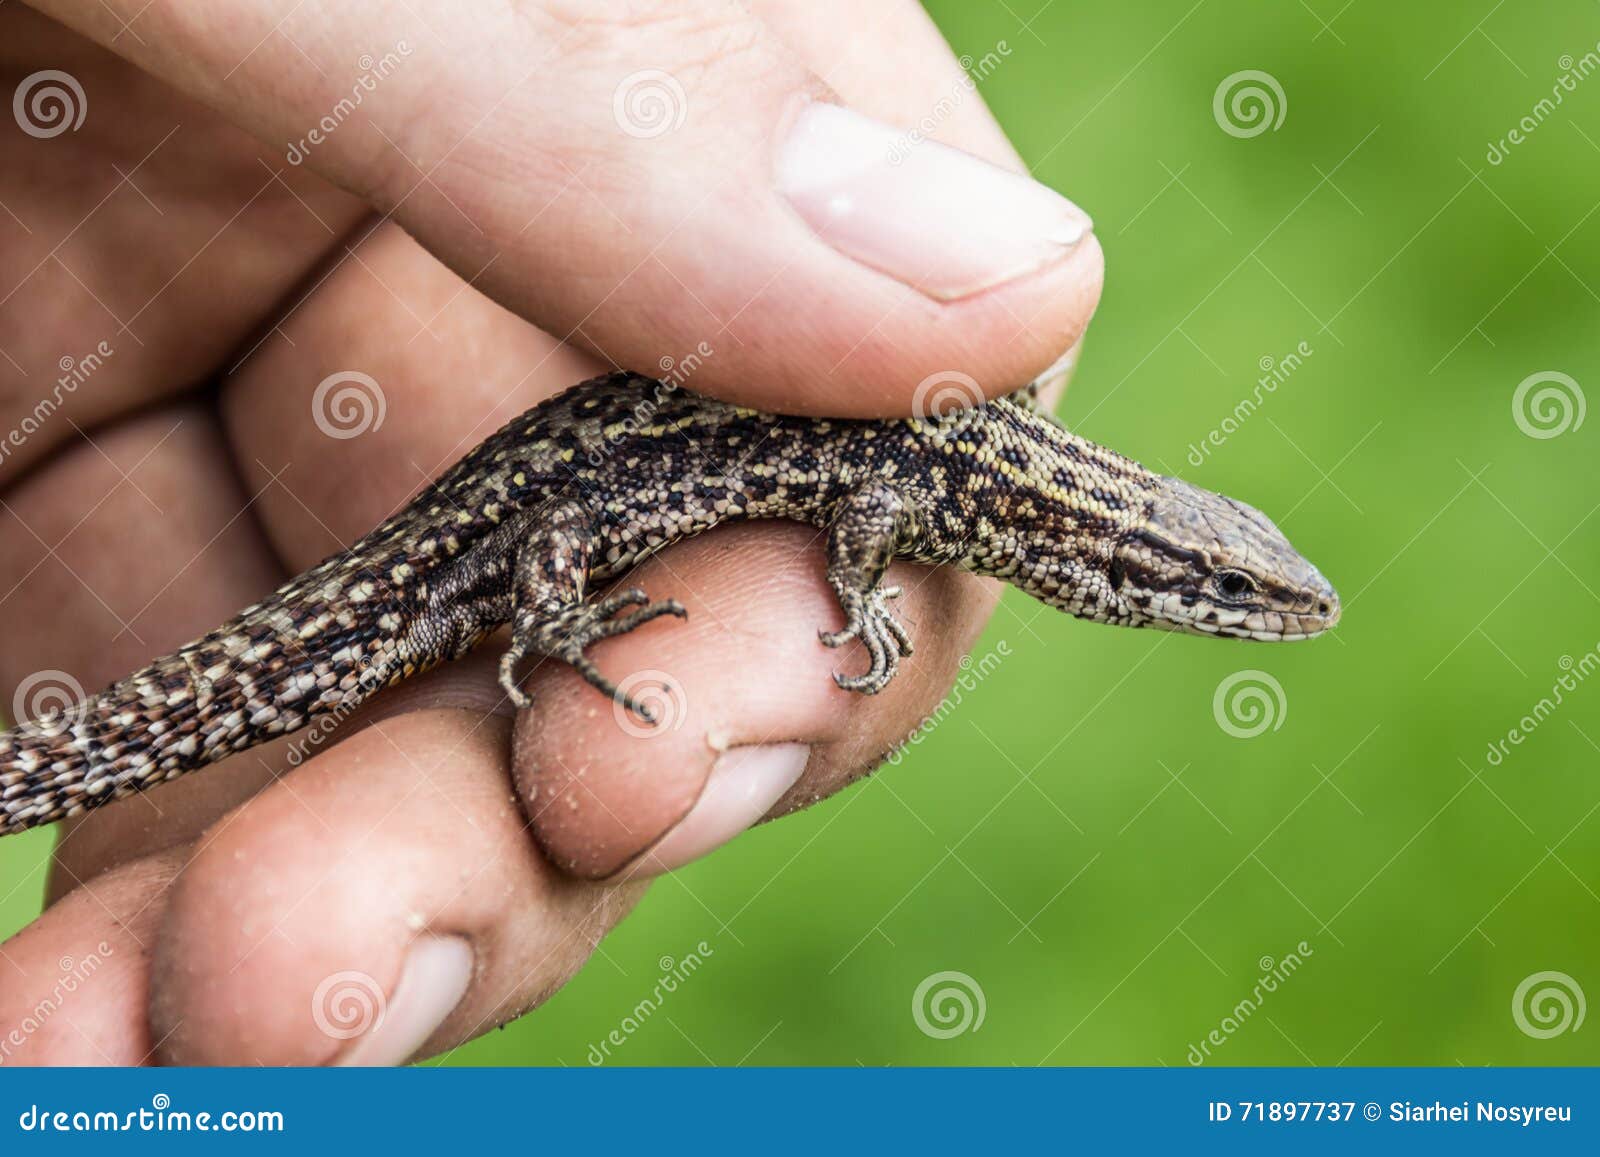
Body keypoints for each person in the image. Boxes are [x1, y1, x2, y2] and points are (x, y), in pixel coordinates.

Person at [0, 0, 1102, 1064]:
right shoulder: (975, 468)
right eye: (1230, 592)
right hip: (521, 520)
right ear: (1130, 568)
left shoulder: (991, 464)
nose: (1254, 614)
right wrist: (851, 592)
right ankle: (545, 619)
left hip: (530, 506)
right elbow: (869, 506)